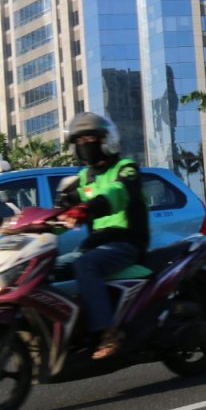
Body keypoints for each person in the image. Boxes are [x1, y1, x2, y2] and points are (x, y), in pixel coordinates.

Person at [57, 112, 150, 360]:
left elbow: (118, 193)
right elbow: (63, 211)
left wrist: (87, 208)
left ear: (106, 140)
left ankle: (108, 332)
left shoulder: (126, 169)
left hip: (126, 242)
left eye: (91, 137)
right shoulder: (84, 178)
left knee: (84, 265)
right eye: (79, 140)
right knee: (49, 267)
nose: (85, 144)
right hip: (95, 245)